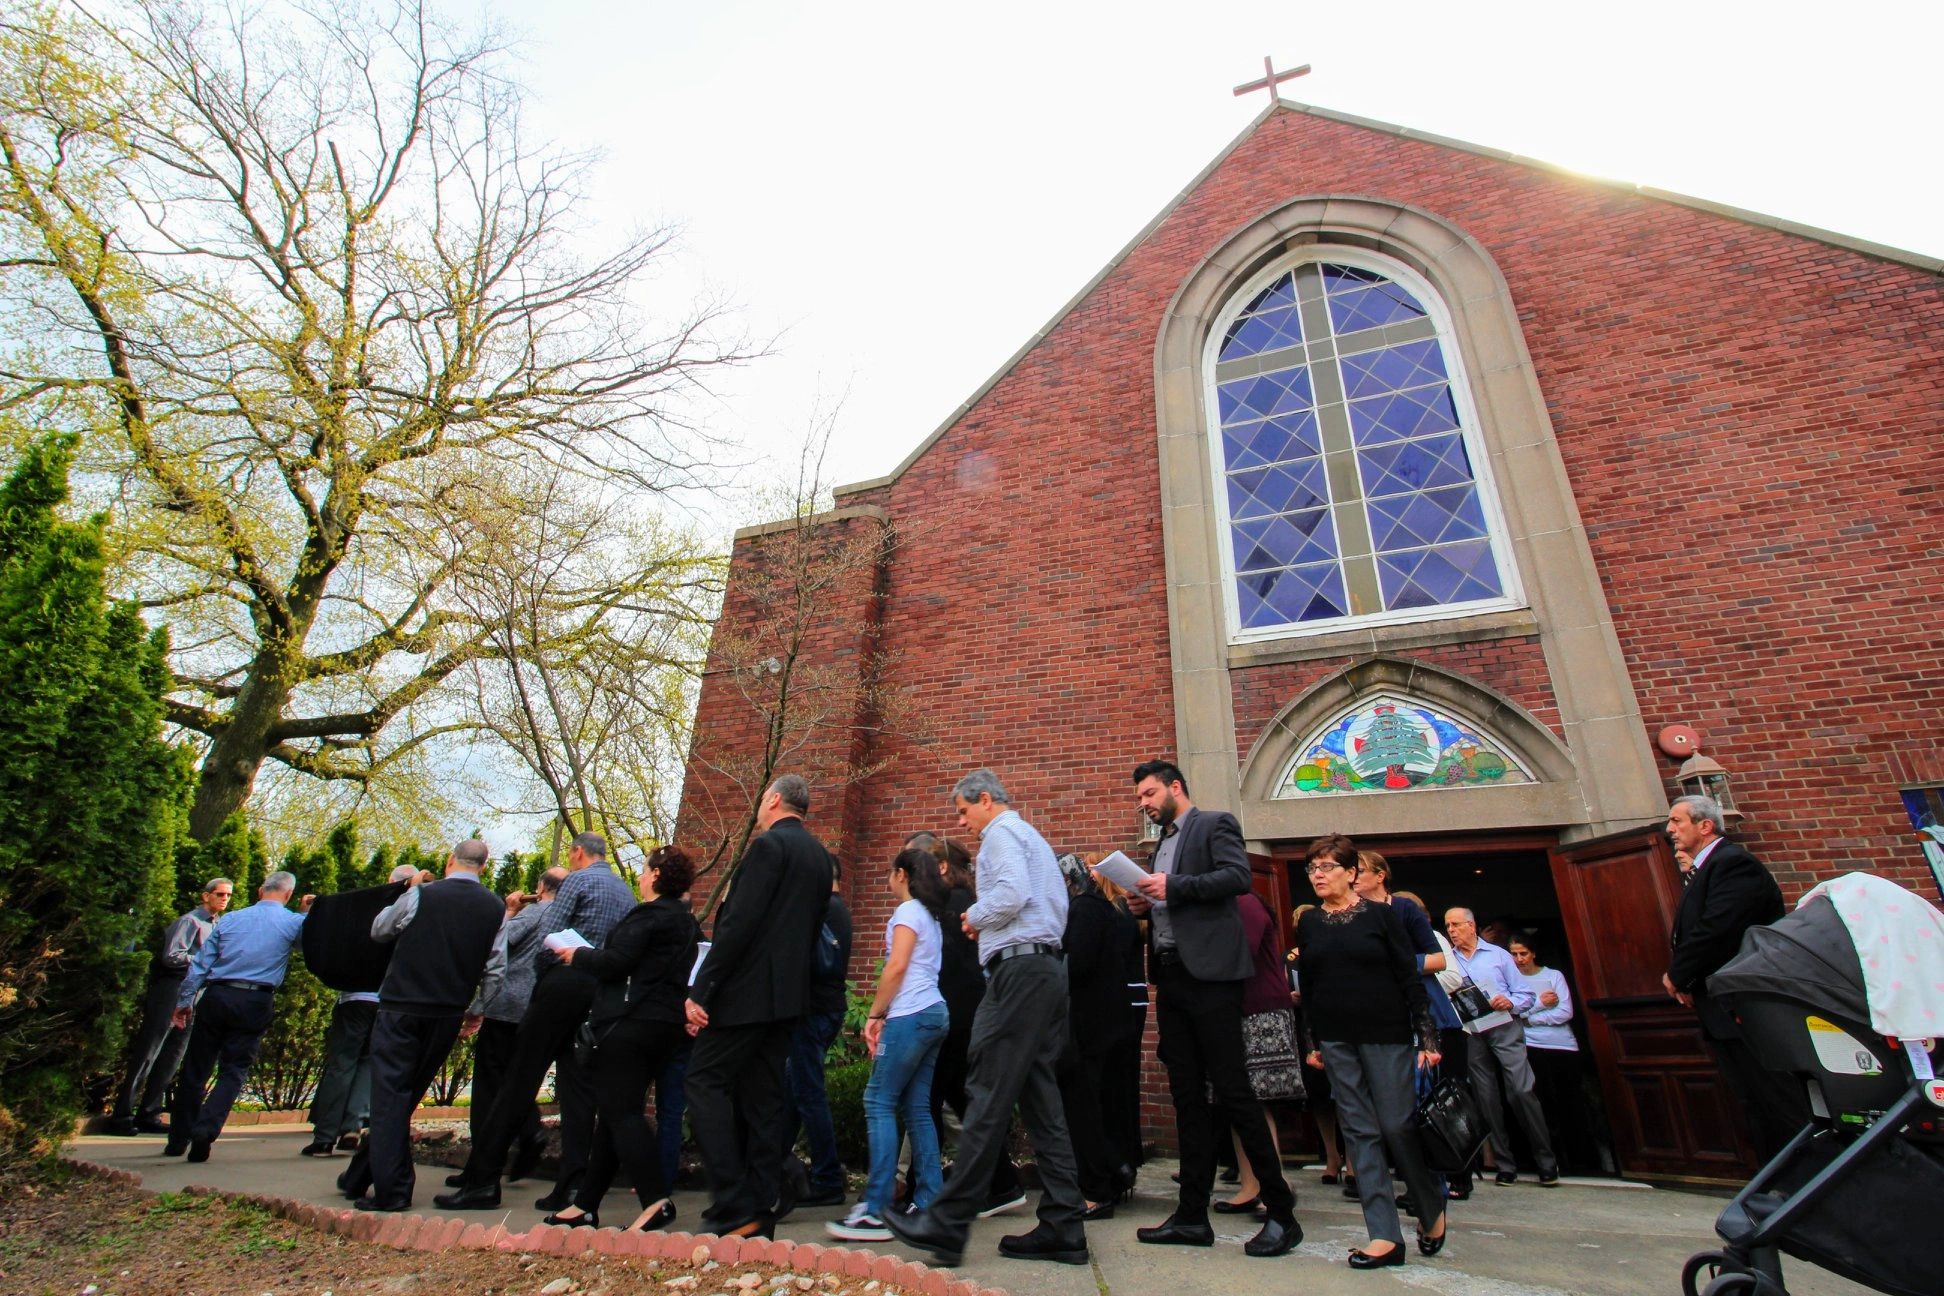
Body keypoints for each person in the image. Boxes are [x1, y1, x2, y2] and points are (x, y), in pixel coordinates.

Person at [884, 769, 1087, 1268]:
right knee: (1040, 1099)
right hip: (1046, 970)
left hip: (1018, 974)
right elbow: (1046, 903)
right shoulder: (1032, 838)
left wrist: (976, 917)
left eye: (962, 811)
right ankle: (1064, 1224)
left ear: (983, 800)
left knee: (987, 1088)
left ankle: (946, 1225)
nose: (963, 822)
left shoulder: (1000, 833)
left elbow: (1011, 894)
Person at [1121, 760, 1299, 1259]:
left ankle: (1282, 1214)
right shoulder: (1161, 843)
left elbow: (1237, 877)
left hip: (1213, 980)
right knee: (1186, 1097)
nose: (1145, 803)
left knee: (1235, 1091)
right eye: (1140, 798)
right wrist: (1146, 903)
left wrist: (1172, 887)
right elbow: (1171, 898)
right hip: (1172, 975)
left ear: (1176, 787)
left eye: (1150, 793)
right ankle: (1191, 1216)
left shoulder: (1213, 823)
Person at [434, 832, 635, 1212]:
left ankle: (482, 1180)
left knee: (519, 1079)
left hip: (562, 985)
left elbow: (549, 935)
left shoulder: (577, 880)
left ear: (578, 853)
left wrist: (546, 978)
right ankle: (572, 1185)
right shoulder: (624, 891)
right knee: (578, 1089)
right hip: (599, 992)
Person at [683, 775, 835, 1239]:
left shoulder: (769, 848)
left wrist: (701, 989)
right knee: (764, 1100)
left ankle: (733, 1201)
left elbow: (737, 925)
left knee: (703, 1081)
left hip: (745, 996)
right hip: (788, 1000)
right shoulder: (819, 860)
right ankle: (761, 1207)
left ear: (772, 800)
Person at [1296, 835, 1447, 1269]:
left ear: (1351, 872)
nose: (1318, 875)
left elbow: (1409, 978)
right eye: (1312, 869)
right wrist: (1312, 1042)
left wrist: (1428, 1038)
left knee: (1397, 1126)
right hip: (1337, 1038)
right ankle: (1384, 1235)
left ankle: (1430, 1205)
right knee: (1359, 1132)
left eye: (1326, 867)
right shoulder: (1309, 923)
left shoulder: (1384, 916)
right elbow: (1312, 985)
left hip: (1386, 1033)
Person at [339, 840, 507, 1212]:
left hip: (402, 1004)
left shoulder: (423, 895)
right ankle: (358, 1175)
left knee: (388, 1097)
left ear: (450, 861)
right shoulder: (495, 908)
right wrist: (478, 1008)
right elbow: (496, 968)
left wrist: (408, 889)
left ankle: (394, 1190)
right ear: (484, 866)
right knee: (405, 1095)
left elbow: (379, 930)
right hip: (448, 1012)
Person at [545, 845, 702, 1232]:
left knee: (621, 1112)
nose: (639, 875)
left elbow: (615, 962)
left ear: (657, 875)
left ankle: (654, 1199)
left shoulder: (647, 917)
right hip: (663, 1026)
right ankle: (585, 1204)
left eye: (644, 869)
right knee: (614, 1112)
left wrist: (574, 954)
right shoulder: (685, 923)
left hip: (628, 1024)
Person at [1661, 793, 1803, 1157]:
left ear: (1705, 825)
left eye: (1677, 821)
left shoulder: (1732, 864)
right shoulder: (1704, 870)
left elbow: (1717, 928)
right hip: (1720, 1004)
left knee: (1774, 1096)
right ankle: (1777, 1177)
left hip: (1746, 1003)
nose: (1670, 829)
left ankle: (1805, 1177)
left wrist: (1679, 974)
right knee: (1750, 1095)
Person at [828, 846, 954, 1240]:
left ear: (902, 874)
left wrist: (875, 1014)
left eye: (889, 872)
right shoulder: (930, 917)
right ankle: (930, 1203)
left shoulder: (907, 912)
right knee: (917, 1108)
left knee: (877, 1100)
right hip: (935, 1013)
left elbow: (896, 966)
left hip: (911, 1015)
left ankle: (877, 1208)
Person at [910, 831, 1026, 1218]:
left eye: (917, 862)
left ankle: (922, 1191)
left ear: (940, 865)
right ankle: (1002, 1184)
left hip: (954, 1016)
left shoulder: (954, 903)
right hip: (962, 1015)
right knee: (962, 1099)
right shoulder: (959, 900)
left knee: (926, 1101)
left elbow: (946, 967)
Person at [167, 872, 313, 1162]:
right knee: (234, 1069)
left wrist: (185, 1001)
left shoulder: (230, 919)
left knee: (196, 1067)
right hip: (257, 998)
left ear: (260, 891)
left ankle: (177, 1138)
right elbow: (304, 945)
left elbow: (200, 963)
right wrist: (307, 913)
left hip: (218, 994)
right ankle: (205, 1130)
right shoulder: (292, 922)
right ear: (287, 895)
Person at [1353, 855, 1463, 1206]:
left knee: (1421, 1102)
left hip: (1419, 1017)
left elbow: (1438, 959)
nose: (1353, 877)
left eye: (1360, 871)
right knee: (1391, 1107)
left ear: (1380, 876)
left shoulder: (1404, 910)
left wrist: (1392, 963)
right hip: (1379, 1018)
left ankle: (1434, 1187)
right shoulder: (1351, 915)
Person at [451, 865, 564, 1187]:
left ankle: (486, 1158)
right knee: (517, 1079)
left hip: (506, 1005)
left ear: (541, 888)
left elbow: (500, 943)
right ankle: (528, 1131)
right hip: (536, 1006)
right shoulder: (566, 917)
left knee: (489, 1085)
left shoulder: (536, 912)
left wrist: (509, 911)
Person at [306, 863, 423, 1157]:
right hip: (387, 998)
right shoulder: (414, 910)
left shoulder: (366, 907)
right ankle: (353, 1126)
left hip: (355, 997)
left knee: (342, 1062)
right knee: (369, 1064)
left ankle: (324, 1135)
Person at [108, 877, 233, 1136]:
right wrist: (204, 960)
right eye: (220, 894)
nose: (224, 899)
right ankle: (122, 1114)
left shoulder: (217, 925)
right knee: (150, 1050)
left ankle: (149, 1113)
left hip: (196, 992)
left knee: (173, 1055)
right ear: (205, 895)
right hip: (173, 988)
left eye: (228, 895)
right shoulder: (189, 922)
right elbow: (172, 956)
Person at [1444, 906, 1559, 1187]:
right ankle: (1504, 1163)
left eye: (1457, 925)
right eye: (1448, 926)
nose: (1452, 931)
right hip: (1472, 1032)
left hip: (1504, 1026)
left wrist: (1511, 1002)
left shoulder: (1499, 956)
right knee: (1486, 1099)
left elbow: (1525, 994)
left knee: (1521, 1091)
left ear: (1472, 926)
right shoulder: (1449, 961)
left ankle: (1546, 1161)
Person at [1050, 854, 1135, 1221]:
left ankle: (1098, 1189)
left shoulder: (1084, 908)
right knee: (1102, 1103)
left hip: (1089, 1023)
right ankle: (1114, 1170)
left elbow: (1078, 964)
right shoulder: (1108, 908)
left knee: (1082, 1107)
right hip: (1112, 1019)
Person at [1215, 887, 1304, 1218]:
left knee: (1257, 1099)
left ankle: (1273, 1183)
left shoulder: (1246, 903)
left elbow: (1241, 951)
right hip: (1233, 1011)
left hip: (1261, 1010)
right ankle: (1250, 1184)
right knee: (1236, 1101)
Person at [783, 855, 852, 1209]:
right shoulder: (838, 910)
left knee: (807, 1091)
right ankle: (777, 1164)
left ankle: (827, 1178)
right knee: (795, 1086)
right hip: (825, 1008)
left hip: (814, 1010)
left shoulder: (824, 909)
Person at [1508, 932, 1598, 1175]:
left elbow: (1565, 1012)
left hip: (1562, 1045)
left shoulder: (1553, 976)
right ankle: (1552, 1158)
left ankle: (1582, 1161)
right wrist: (1538, 1005)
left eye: (1523, 953)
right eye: (1514, 954)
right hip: (1531, 1046)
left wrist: (1530, 1018)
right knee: (1541, 1102)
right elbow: (1514, 1013)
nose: (1518, 959)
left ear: (1533, 953)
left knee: (1571, 1102)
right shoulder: (1512, 982)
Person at [1091, 869, 1149, 1180]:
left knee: (1118, 1077)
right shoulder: (1128, 914)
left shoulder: (1117, 914)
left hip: (1124, 997)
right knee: (1125, 1076)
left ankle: (1122, 1154)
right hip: (1135, 996)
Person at [1285, 904, 1347, 1189]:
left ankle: (1357, 1162)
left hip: (1338, 1024)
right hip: (1307, 1029)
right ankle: (1332, 1157)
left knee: (1347, 1095)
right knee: (1320, 1097)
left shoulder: (1337, 948)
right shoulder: (1291, 958)